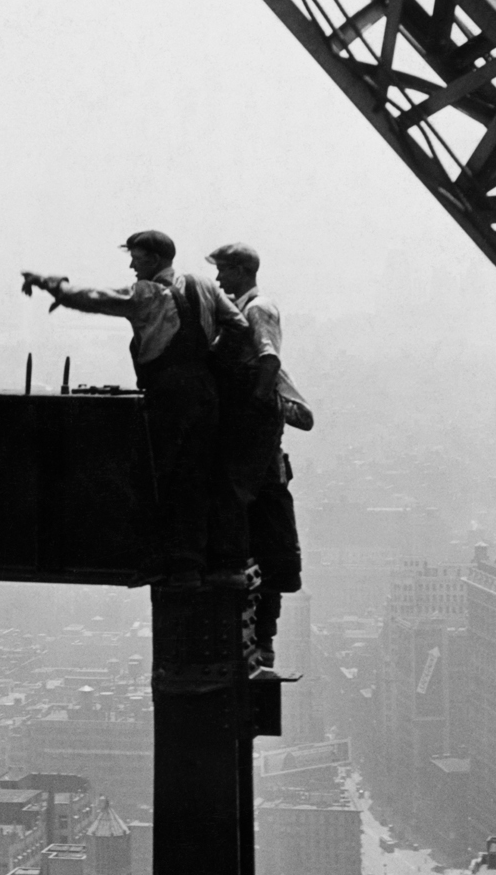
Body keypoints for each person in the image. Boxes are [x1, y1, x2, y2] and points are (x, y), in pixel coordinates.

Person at [21, 231, 253, 585]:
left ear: (157, 260)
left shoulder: (148, 294)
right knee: (194, 477)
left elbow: (99, 298)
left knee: (159, 476)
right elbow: (238, 325)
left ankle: (162, 561)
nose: (132, 265)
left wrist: (56, 287)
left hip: (168, 394)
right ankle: (190, 565)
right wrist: (207, 360)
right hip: (205, 394)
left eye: (138, 258)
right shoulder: (205, 285)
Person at [206, 241, 311, 672]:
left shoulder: (257, 309)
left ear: (242, 270)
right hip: (247, 451)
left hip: (259, 455)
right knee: (252, 546)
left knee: (267, 547)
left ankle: (262, 641)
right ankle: (257, 640)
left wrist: (255, 407)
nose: (218, 279)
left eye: (224, 270)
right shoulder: (235, 312)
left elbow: (268, 360)